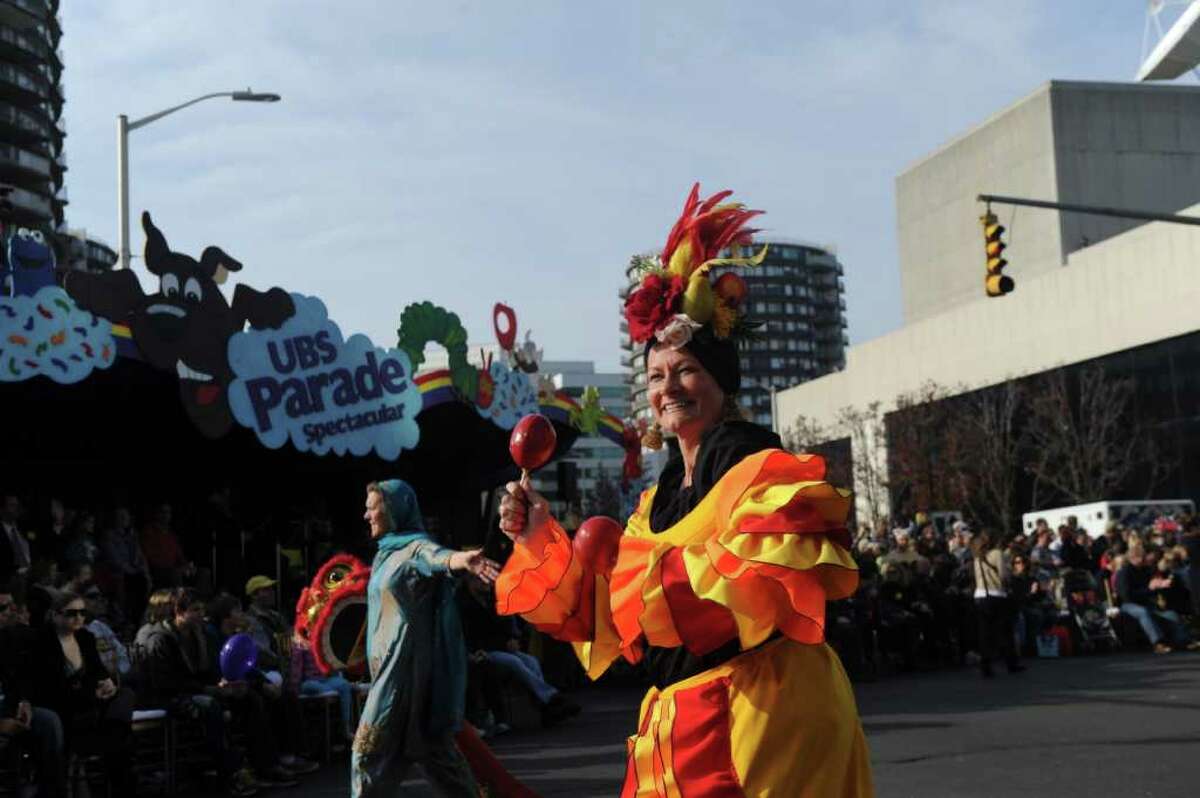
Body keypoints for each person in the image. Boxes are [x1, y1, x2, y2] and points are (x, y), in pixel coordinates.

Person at [497, 184, 873, 796]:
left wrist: (626, 569)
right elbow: (612, 622)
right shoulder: (656, 501)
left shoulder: (768, 470)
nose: (668, 388)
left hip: (767, 722)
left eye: (687, 370)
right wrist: (541, 535)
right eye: (655, 376)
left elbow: (735, 595)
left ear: (721, 382)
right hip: (682, 727)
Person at [351, 479, 499, 798]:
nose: (366, 515)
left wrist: (462, 560)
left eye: (372, 507)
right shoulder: (384, 554)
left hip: (402, 677)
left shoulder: (413, 549)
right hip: (388, 674)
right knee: (439, 759)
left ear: (394, 510)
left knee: (366, 756)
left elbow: (438, 557)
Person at [34, 591, 137, 796]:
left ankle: (113, 736)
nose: (79, 618)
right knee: (120, 742)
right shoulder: (42, 641)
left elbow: (98, 671)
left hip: (93, 703)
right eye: (71, 613)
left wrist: (108, 683)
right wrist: (92, 692)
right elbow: (47, 686)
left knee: (125, 694)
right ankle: (114, 748)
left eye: (82, 612)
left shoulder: (86, 637)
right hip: (63, 705)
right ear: (55, 615)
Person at [0, 583, 67, 798]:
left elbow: (19, 681)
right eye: (4, 608)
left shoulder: (13, 638)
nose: (13, 611)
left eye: (12, 605)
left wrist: (24, 702)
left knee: (49, 720)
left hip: (10, 709)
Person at [1116, 543, 1199, 653]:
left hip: (1146, 601)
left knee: (1170, 614)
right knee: (1143, 612)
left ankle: (1183, 640)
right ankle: (1158, 643)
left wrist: (1160, 585)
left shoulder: (1145, 570)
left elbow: (1152, 588)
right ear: (1135, 558)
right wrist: (1149, 589)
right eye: (1142, 557)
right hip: (1128, 604)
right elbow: (1126, 595)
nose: (1145, 559)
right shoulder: (1124, 572)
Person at [971, 530, 1022, 677]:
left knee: (985, 633)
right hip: (996, 594)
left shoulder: (977, 557)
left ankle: (985, 665)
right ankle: (1011, 663)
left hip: (980, 595)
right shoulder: (996, 554)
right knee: (1005, 631)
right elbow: (1003, 575)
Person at [244, 575, 289, 673]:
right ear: (254, 595)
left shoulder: (277, 616)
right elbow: (263, 653)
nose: (272, 593)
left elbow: (289, 640)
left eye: (272, 589)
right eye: (266, 590)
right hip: (267, 672)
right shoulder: (249, 619)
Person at [1, 495, 33, 584]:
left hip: (29, 577)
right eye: (12, 505)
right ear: (2, 509)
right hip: (8, 580)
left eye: (17, 505)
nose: (17, 508)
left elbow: (32, 545)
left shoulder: (23, 528)